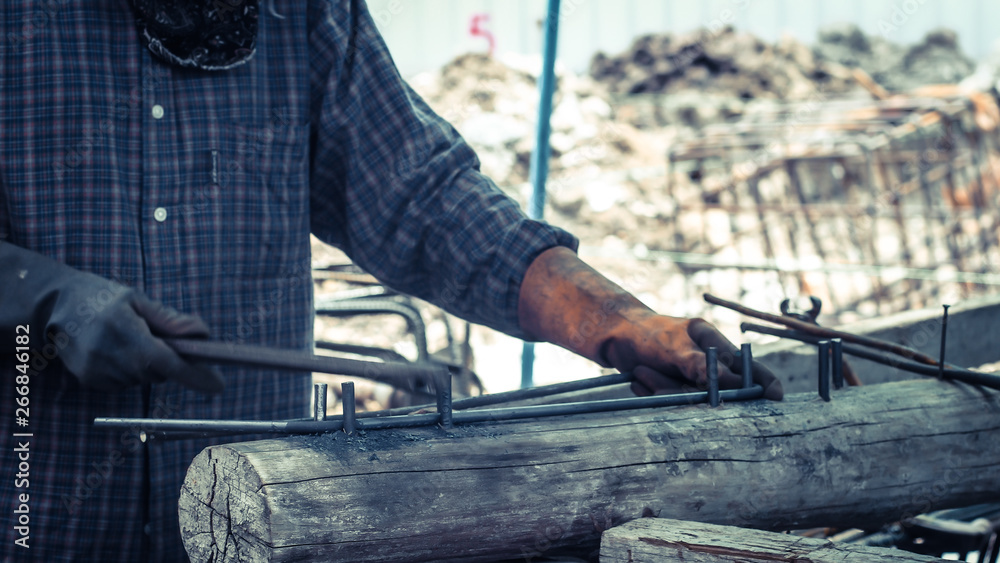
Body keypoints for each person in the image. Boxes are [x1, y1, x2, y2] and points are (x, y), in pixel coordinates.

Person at [0, 1, 782, 561]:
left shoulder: (299, 15)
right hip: (36, 516)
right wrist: (40, 295)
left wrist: (617, 322)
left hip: (248, 525)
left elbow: (423, 196)